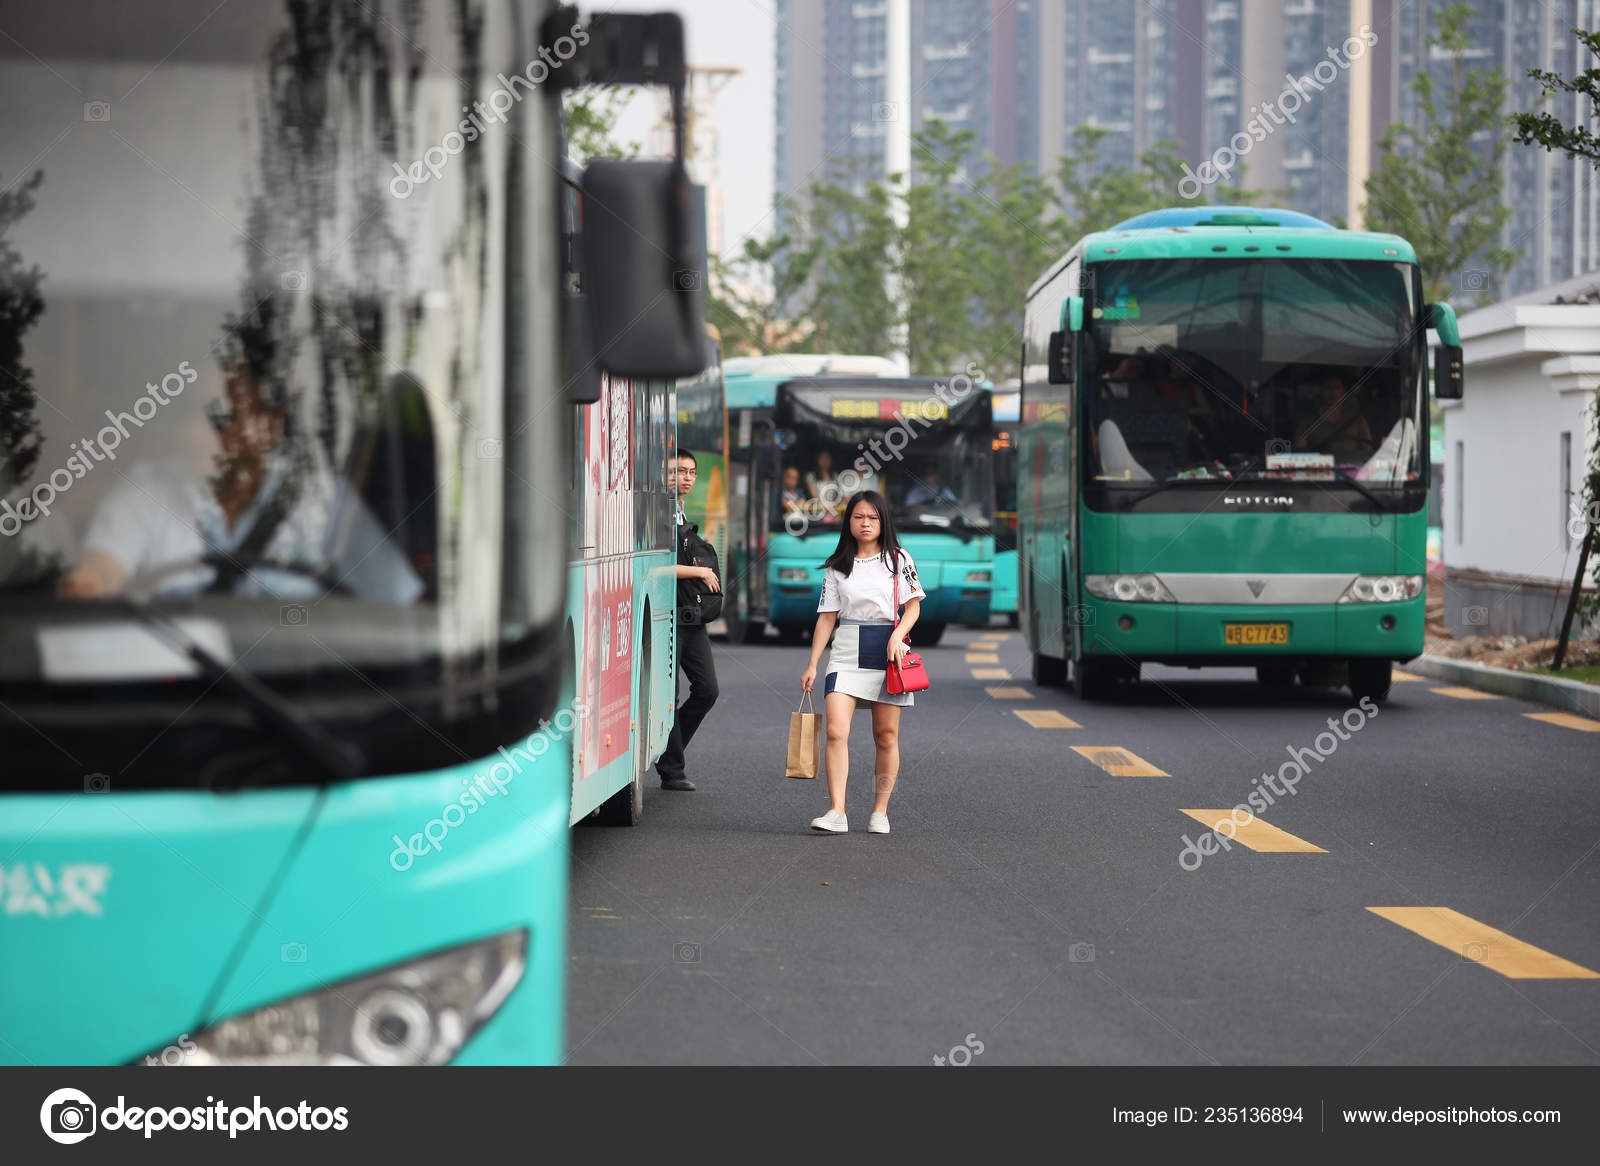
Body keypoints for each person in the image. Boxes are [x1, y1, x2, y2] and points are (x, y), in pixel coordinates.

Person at [58, 366, 422, 604]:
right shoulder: (147, 493)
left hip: (302, 707)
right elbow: (100, 571)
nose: (194, 429)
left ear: (269, 427)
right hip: (174, 704)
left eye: (220, 415)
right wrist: (87, 586)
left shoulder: (323, 502)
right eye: (189, 413)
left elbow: (398, 609)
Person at [800, 490, 924, 835]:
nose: (865, 523)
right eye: (858, 517)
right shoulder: (837, 565)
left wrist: (898, 636)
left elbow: (913, 605)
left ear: (883, 521)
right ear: (849, 521)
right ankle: (837, 810)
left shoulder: (899, 559)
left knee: (885, 736)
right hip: (845, 650)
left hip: (887, 650)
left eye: (872, 517)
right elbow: (827, 618)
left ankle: (880, 810)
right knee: (837, 731)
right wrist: (812, 664)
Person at [655, 450, 720, 792]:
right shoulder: (654, 511)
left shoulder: (679, 511)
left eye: (692, 472)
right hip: (664, 614)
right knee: (670, 691)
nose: (687, 478)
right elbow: (651, 565)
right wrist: (699, 571)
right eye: (678, 471)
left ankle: (664, 751)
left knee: (708, 690)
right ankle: (672, 769)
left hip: (690, 615)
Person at [1295, 376, 1374, 462]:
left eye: (1337, 388)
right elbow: (1299, 452)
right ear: (1321, 391)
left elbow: (1368, 451)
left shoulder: (1357, 419)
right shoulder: (1308, 420)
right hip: (1321, 469)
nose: (1333, 392)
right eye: (1328, 388)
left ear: (1343, 392)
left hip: (1352, 469)